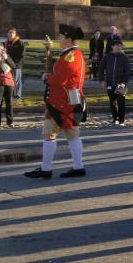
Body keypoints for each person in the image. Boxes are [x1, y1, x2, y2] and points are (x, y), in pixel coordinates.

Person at [24, 24, 88, 179]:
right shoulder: (69, 54)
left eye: (61, 36)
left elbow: (61, 78)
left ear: (68, 39)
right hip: (66, 101)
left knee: (50, 134)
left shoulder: (72, 55)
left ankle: (47, 168)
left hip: (63, 102)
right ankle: (77, 166)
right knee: (71, 134)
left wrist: (47, 78)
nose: (58, 38)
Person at [98, 39, 131, 126]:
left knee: (121, 101)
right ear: (112, 47)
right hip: (109, 83)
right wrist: (101, 80)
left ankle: (121, 120)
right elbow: (101, 69)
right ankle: (115, 118)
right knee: (112, 101)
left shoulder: (124, 58)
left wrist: (124, 82)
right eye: (116, 45)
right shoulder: (107, 57)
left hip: (121, 84)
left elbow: (127, 72)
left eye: (120, 45)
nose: (118, 47)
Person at [0, 43, 16, 128]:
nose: (0, 51)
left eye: (2, 49)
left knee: (9, 103)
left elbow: (14, 66)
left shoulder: (7, 57)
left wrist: (6, 58)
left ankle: (10, 121)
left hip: (9, 82)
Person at [5, 27, 25, 101]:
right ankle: (12, 95)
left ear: (15, 34)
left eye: (13, 33)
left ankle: (17, 96)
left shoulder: (19, 42)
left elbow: (22, 55)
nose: (11, 34)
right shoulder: (6, 43)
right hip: (8, 65)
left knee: (17, 81)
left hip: (17, 65)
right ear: (7, 34)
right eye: (10, 32)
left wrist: (17, 63)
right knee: (10, 80)